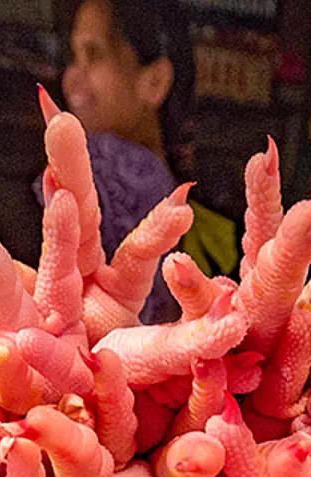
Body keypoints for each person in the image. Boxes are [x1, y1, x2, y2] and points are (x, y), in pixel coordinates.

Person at [49, 0, 237, 323]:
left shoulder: (100, 163)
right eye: (74, 56)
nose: (71, 77)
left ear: (154, 82)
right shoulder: (168, 190)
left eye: (93, 55)